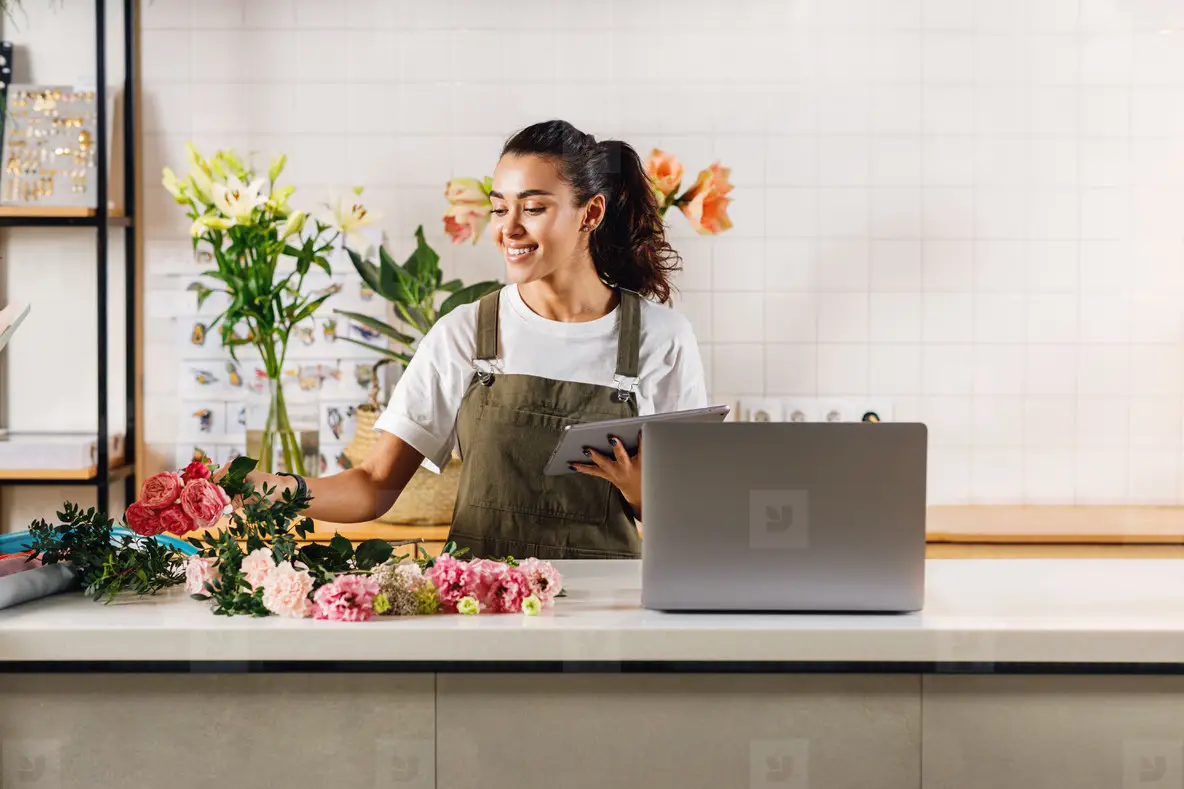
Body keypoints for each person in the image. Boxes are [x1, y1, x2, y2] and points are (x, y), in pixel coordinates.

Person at [229, 119, 708, 559]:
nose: (509, 228)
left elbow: (694, 513)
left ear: (591, 213)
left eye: (533, 207)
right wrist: (265, 488)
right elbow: (374, 485)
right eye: (499, 208)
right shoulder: (463, 333)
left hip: (605, 607)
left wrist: (641, 491)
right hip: (481, 604)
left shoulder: (660, 339)